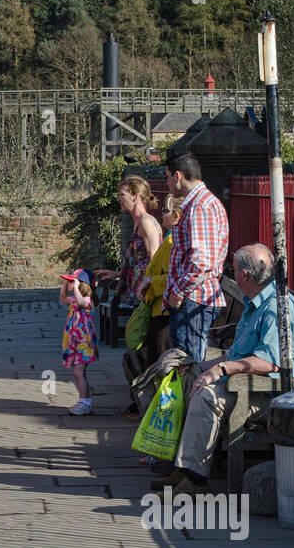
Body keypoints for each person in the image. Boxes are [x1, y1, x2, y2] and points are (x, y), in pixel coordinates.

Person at [152, 243, 294, 495]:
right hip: (246, 382)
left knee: (206, 396)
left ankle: (195, 481)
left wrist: (222, 369)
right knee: (186, 378)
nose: (231, 273)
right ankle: (182, 466)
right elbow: (236, 354)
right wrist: (199, 366)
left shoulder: (276, 308)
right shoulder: (255, 302)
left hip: (269, 394)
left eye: (233, 269)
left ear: (244, 276)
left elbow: (271, 363)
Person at [121, 194, 182, 420]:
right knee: (151, 358)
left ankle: (158, 413)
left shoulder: (175, 241)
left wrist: (150, 283)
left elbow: (174, 276)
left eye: (166, 211)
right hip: (157, 307)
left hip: (164, 310)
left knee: (159, 363)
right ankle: (148, 407)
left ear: (176, 216)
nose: (161, 215)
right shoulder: (170, 237)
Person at [163, 152, 228, 363]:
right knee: (182, 362)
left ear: (177, 176)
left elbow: (202, 262)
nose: (167, 183)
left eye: (167, 177)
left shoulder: (200, 206)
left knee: (187, 364)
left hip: (194, 299)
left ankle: (190, 397)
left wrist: (178, 292)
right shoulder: (198, 203)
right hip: (192, 298)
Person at [94, 177, 163, 317]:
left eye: (122, 194)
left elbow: (154, 262)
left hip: (145, 296)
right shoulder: (139, 222)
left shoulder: (146, 222)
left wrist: (145, 289)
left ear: (135, 196)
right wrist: (117, 274)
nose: (119, 198)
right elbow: (140, 262)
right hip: (139, 294)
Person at [59, 268, 98, 416]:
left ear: (81, 284)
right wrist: (64, 286)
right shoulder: (74, 300)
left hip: (84, 343)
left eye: (71, 281)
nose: (69, 284)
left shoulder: (87, 301)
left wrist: (74, 287)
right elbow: (63, 299)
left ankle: (85, 402)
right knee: (78, 373)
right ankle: (84, 400)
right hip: (76, 342)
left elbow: (82, 302)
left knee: (78, 373)